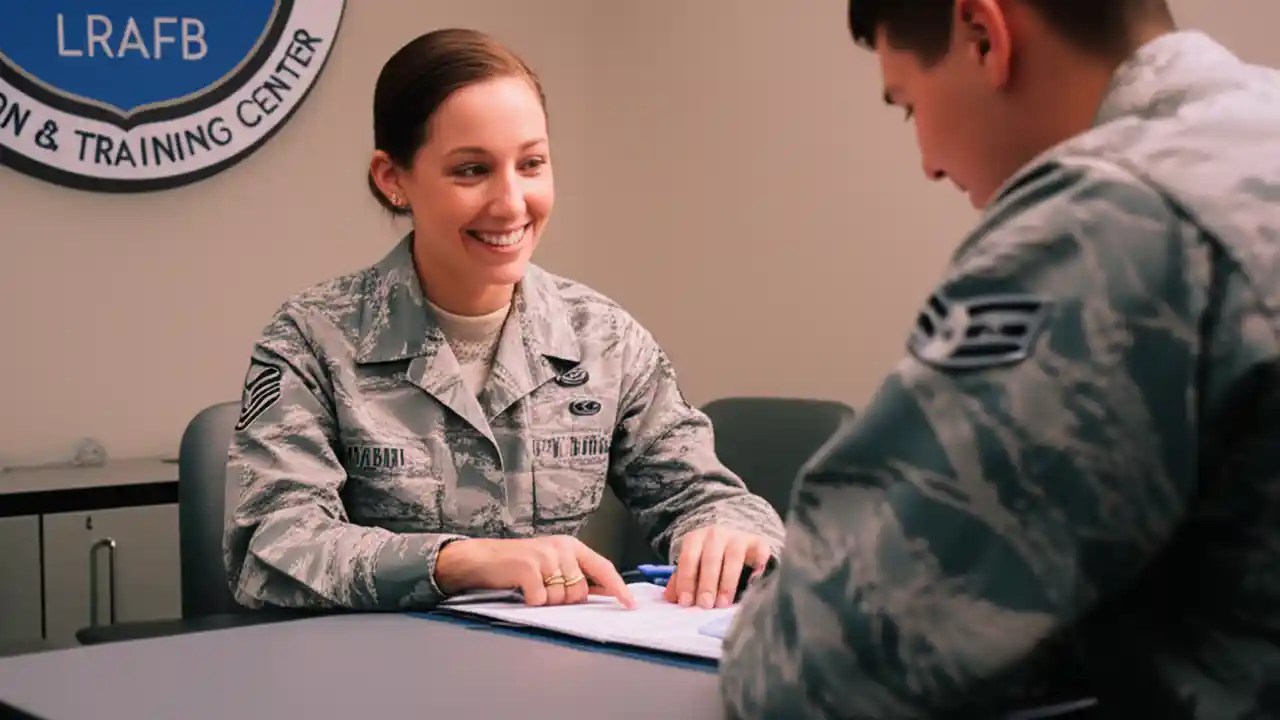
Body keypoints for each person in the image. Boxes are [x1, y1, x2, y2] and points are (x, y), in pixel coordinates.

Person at [720, 1, 1280, 718]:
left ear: (983, 34)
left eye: (907, 104)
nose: (926, 163)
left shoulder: (1110, 218)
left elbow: (819, 663)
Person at [223, 28, 784, 613]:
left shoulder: (604, 339)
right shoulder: (313, 339)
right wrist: (460, 561)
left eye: (532, 163)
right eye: (471, 170)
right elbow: (272, 551)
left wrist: (727, 534)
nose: (512, 202)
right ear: (393, 179)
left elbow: (705, 495)